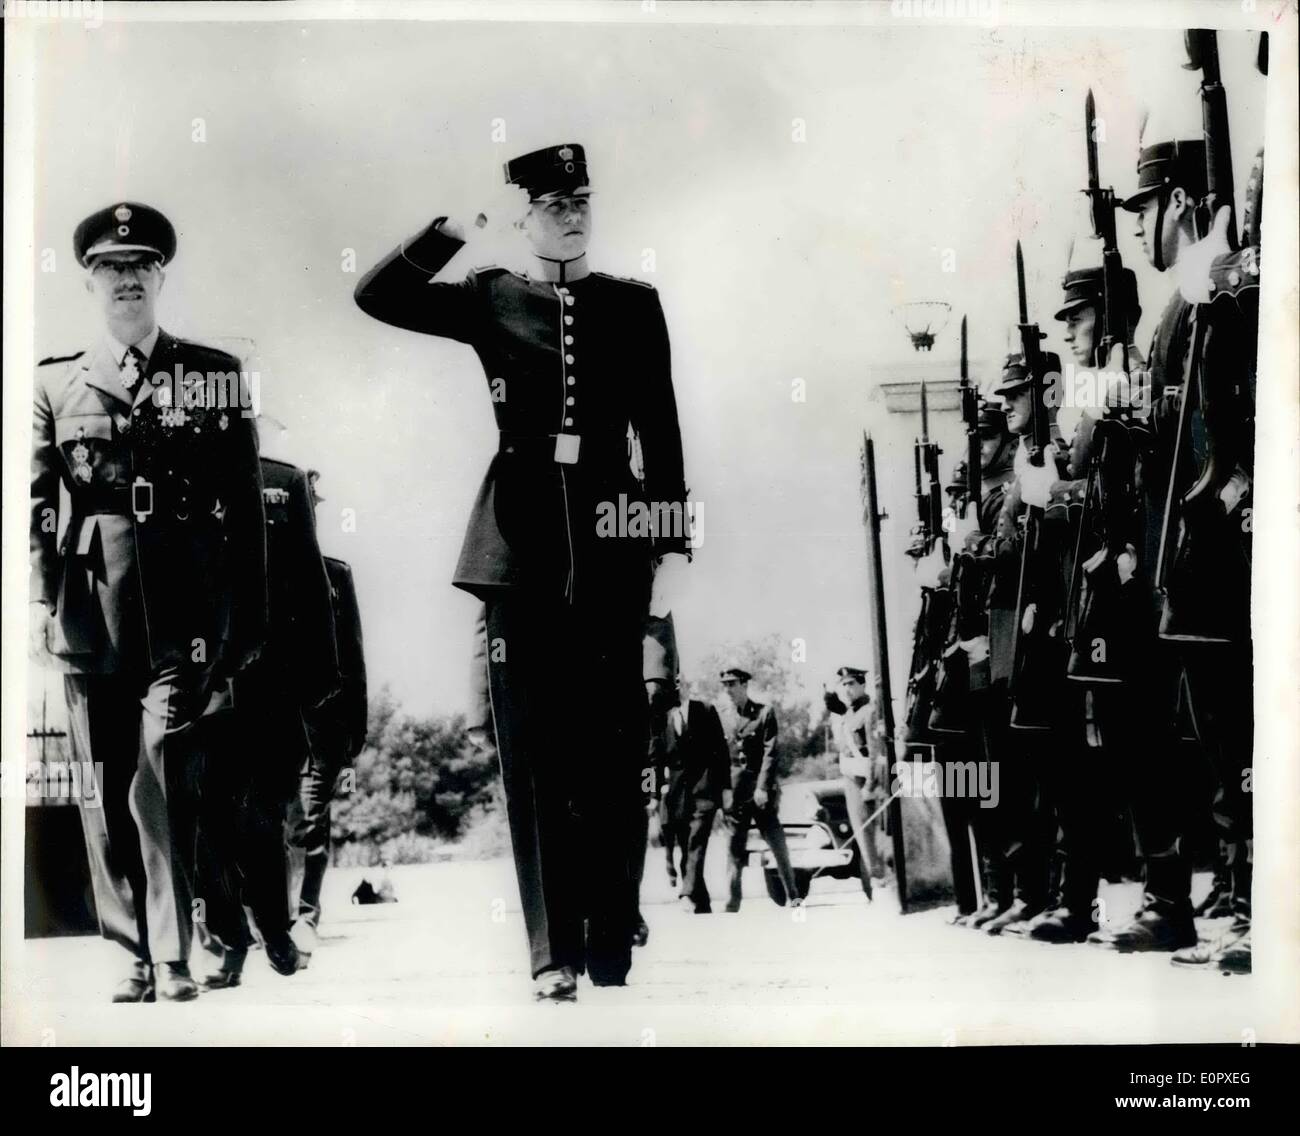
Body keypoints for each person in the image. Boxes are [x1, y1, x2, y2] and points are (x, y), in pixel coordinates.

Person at [354, 143, 691, 1001]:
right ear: (522, 216)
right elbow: (377, 297)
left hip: (613, 547)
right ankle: (550, 952)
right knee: (534, 763)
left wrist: (670, 546)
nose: (571, 214)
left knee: (616, 756)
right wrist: (445, 237)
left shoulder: (633, 305)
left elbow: (660, 428)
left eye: (582, 200)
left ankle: (610, 931)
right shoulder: (490, 293)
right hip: (517, 549)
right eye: (553, 204)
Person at [29, 203, 267, 1001]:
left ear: (160, 277)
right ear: (91, 282)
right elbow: (34, 504)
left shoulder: (214, 373)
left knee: (162, 770)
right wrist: (38, 600)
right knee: (104, 779)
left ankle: (171, 954)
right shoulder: (53, 382)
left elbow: (244, 503)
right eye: (110, 270)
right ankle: (131, 949)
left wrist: (247, 618)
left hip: (186, 609)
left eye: (140, 268)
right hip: (91, 608)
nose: (126, 281)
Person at [193, 451, 340, 987]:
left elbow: (311, 578)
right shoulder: (172, 471)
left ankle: (273, 931)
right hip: (198, 679)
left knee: (259, 818)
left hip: (271, 688)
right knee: (205, 828)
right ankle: (231, 937)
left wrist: (322, 673)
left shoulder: (283, 481)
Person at [289, 550, 369, 961]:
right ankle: (274, 919)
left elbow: (352, 651)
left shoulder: (336, 573)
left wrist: (357, 724)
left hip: (323, 725)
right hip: (267, 720)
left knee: (308, 817)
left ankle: (304, 917)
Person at [719, 666, 800, 911]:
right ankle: (733, 900)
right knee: (734, 845)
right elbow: (720, 757)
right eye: (725, 685)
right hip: (735, 791)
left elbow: (771, 752)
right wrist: (723, 790)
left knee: (777, 843)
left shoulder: (764, 713)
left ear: (745, 685)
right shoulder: (722, 716)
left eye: (732, 684)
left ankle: (792, 893)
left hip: (761, 791)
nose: (728, 689)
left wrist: (763, 787)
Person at [648, 674, 731, 914]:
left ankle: (686, 893)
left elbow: (721, 752)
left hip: (705, 792)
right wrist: (650, 795)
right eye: (671, 686)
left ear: (687, 685)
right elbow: (651, 761)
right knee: (686, 847)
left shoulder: (705, 710)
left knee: (696, 842)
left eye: (679, 683)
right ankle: (701, 902)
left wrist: (725, 789)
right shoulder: (659, 718)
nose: (676, 689)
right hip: (676, 796)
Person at [823, 667, 887, 901]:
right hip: (850, 778)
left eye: (851, 684)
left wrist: (870, 784)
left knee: (870, 834)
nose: (847, 689)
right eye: (844, 685)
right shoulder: (848, 714)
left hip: (865, 781)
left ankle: (880, 882)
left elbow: (874, 752)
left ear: (862, 685)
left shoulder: (869, 712)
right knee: (861, 834)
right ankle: (872, 887)